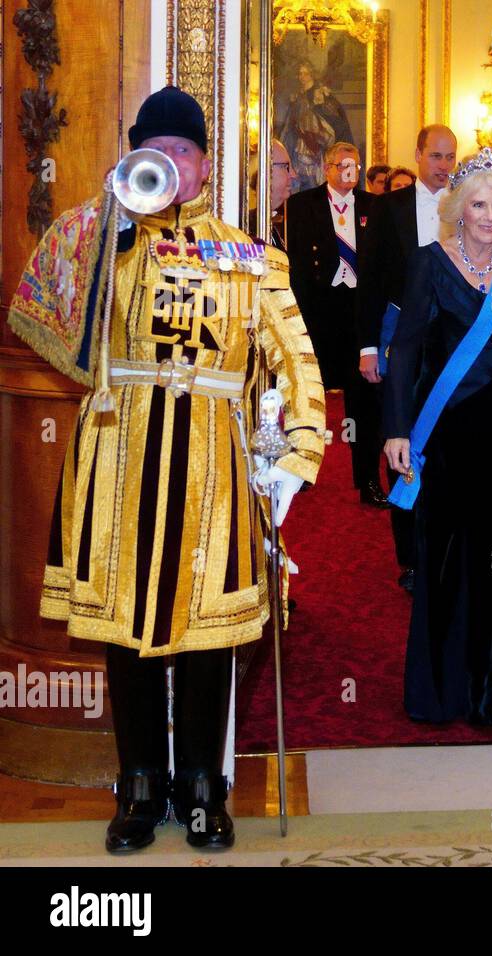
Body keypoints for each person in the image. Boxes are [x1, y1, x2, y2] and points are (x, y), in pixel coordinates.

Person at [6, 86, 325, 852]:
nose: (170, 165)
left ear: (206, 167)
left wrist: (299, 452)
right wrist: (110, 223)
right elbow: (37, 317)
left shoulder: (252, 258)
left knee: (209, 633)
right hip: (119, 457)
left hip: (214, 463)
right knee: (127, 628)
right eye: (155, 150)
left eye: (183, 152)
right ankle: (141, 784)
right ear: (135, 156)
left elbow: (298, 360)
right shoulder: (102, 240)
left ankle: (205, 788)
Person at [382, 148, 492, 725]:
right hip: (449, 427)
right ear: (459, 208)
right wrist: (396, 429)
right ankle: (447, 686)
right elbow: (405, 347)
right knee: (451, 550)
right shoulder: (430, 262)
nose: (489, 215)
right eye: (478, 204)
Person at [357, 125, 457, 592]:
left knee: (449, 445)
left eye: (450, 156)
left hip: (456, 343)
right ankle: (411, 557)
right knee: (401, 439)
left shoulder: (468, 204)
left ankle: (449, 548)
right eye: (435, 155)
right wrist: (368, 346)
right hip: (401, 339)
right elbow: (370, 282)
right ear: (417, 155)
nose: (443, 165)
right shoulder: (387, 208)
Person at [286, 141, 385, 508]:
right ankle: (304, 469)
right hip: (319, 310)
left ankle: (368, 479)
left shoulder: (373, 206)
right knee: (309, 398)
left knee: (365, 400)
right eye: (342, 165)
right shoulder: (301, 205)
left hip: (360, 312)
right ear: (326, 168)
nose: (349, 171)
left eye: (355, 165)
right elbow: (296, 261)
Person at [279, 60, 355, 192]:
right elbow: (292, 121)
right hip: (301, 143)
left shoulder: (321, 93)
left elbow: (332, 116)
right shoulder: (298, 96)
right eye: (300, 74)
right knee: (301, 177)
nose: (302, 77)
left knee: (315, 178)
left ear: (312, 74)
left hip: (317, 142)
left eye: (305, 73)